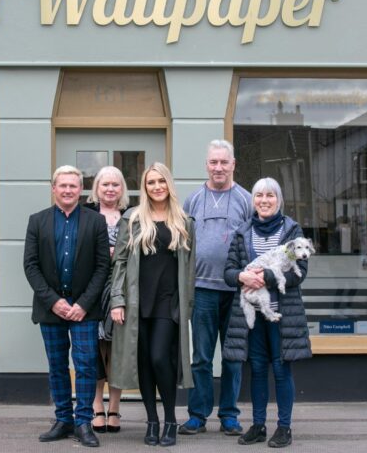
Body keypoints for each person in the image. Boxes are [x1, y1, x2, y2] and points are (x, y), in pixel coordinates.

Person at [109, 162, 195, 447]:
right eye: (150, 183)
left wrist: (188, 307)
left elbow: (191, 268)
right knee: (144, 362)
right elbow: (119, 261)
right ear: (145, 188)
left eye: (161, 181)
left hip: (168, 303)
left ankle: (170, 419)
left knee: (160, 358)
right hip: (137, 302)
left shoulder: (184, 221)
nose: (156, 187)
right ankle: (152, 420)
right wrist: (117, 300)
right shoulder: (133, 219)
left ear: (168, 184)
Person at [23, 165, 111, 448]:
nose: (68, 190)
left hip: (84, 310)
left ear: (80, 189)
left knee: (85, 365)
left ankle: (84, 422)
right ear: (54, 188)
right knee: (57, 365)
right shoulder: (37, 221)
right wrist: (55, 302)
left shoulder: (95, 222)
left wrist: (83, 304)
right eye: (63, 186)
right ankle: (63, 420)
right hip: (51, 309)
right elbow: (31, 266)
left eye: (73, 186)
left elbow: (102, 267)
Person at [222, 177, 312, 449]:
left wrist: (268, 277)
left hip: (283, 313)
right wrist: (242, 276)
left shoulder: (292, 229)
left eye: (270, 195)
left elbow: (300, 274)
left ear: (278, 199)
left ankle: (284, 427)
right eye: (259, 195)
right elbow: (228, 272)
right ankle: (258, 425)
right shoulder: (243, 231)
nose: (264, 200)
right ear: (253, 200)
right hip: (254, 312)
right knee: (258, 369)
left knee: (282, 369)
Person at [179, 139, 252, 436]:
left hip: (236, 291)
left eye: (224, 162)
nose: (218, 167)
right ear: (206, 165)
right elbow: (182, 245)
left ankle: (230, 415)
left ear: (233, 164)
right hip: (202, 289)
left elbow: (252, 244)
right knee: (202, 358)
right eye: (213, 162)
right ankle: (198, 414)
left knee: (233, 357)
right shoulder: (193, 199)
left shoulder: (246, 200)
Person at [84, 166, 130, 434]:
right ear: (96, 188)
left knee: (117, 353)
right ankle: (95, 407)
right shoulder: (86, 215)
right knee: (94, 353)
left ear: (121, 188)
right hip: (93, 293)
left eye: (115, 184)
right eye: (105, 185)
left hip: (122, 293)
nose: (110, 189)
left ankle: (114, 408)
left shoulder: (131, 216)